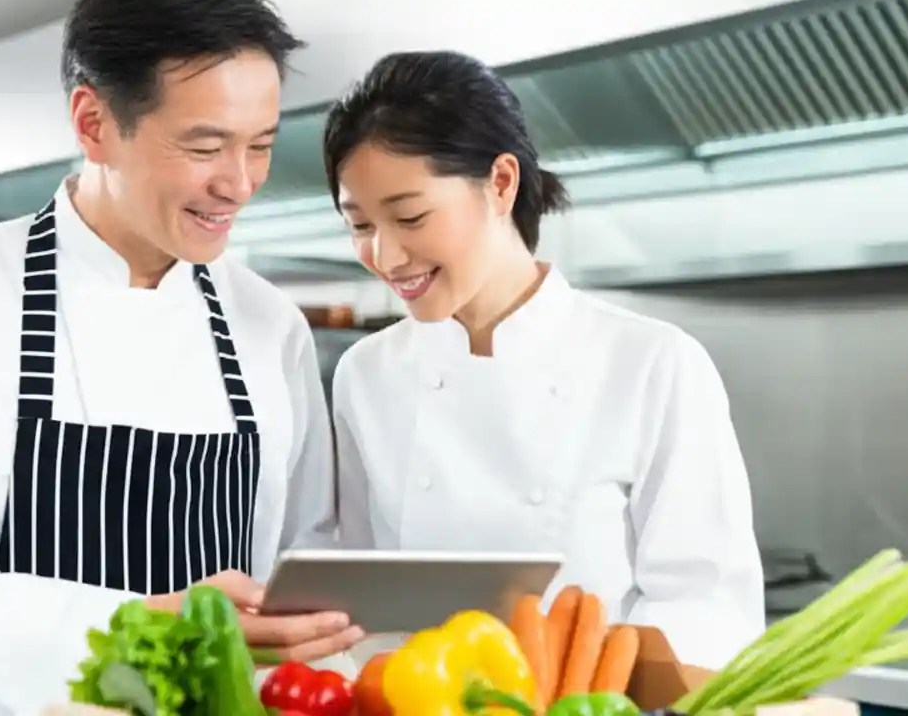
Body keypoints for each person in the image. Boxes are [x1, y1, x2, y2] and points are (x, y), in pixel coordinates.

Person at [0, 0, 361, 714]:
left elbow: (303, 573)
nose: (239, 183)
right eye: (205, 147)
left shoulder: (269, 326)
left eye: (262, 144)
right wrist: (133, 628)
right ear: (93, 123)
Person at [322, 51, 765, 669]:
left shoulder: (652, 364)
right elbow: (363, 603)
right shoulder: (365, 375)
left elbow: (705, 605)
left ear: (501, 183)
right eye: (360, 224)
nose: (387, 255)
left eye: (410, 216)